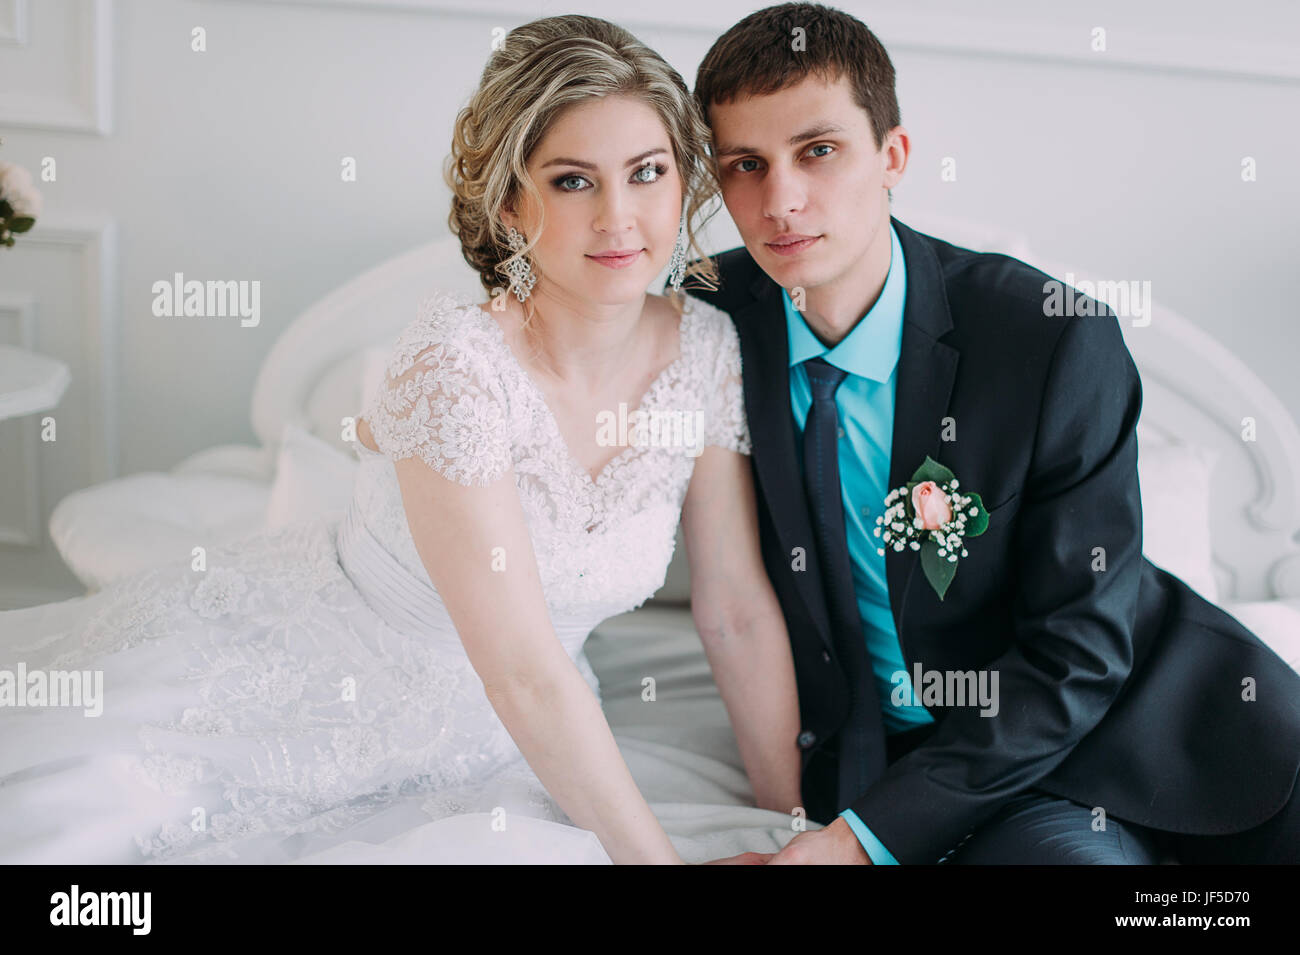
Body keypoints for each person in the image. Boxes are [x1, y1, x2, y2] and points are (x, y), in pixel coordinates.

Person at [0, 15, 801, 865]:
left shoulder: (708, 349)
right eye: (573, 181)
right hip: (307, 689)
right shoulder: (454, 365)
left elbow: (736, 610)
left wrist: (792, 821)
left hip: (516, 733)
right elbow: (522, 675)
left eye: (648, 172)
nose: (620, 216)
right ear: (508, 201)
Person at [683, 2, 1300, 864]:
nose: (780, 200)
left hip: (1134, 729)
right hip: (899, 768)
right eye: (746, 164)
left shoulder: (1049, 340)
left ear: (892, 155)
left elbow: (1079, 652)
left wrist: (854, 846)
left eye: (817, 151)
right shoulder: (705, 320)